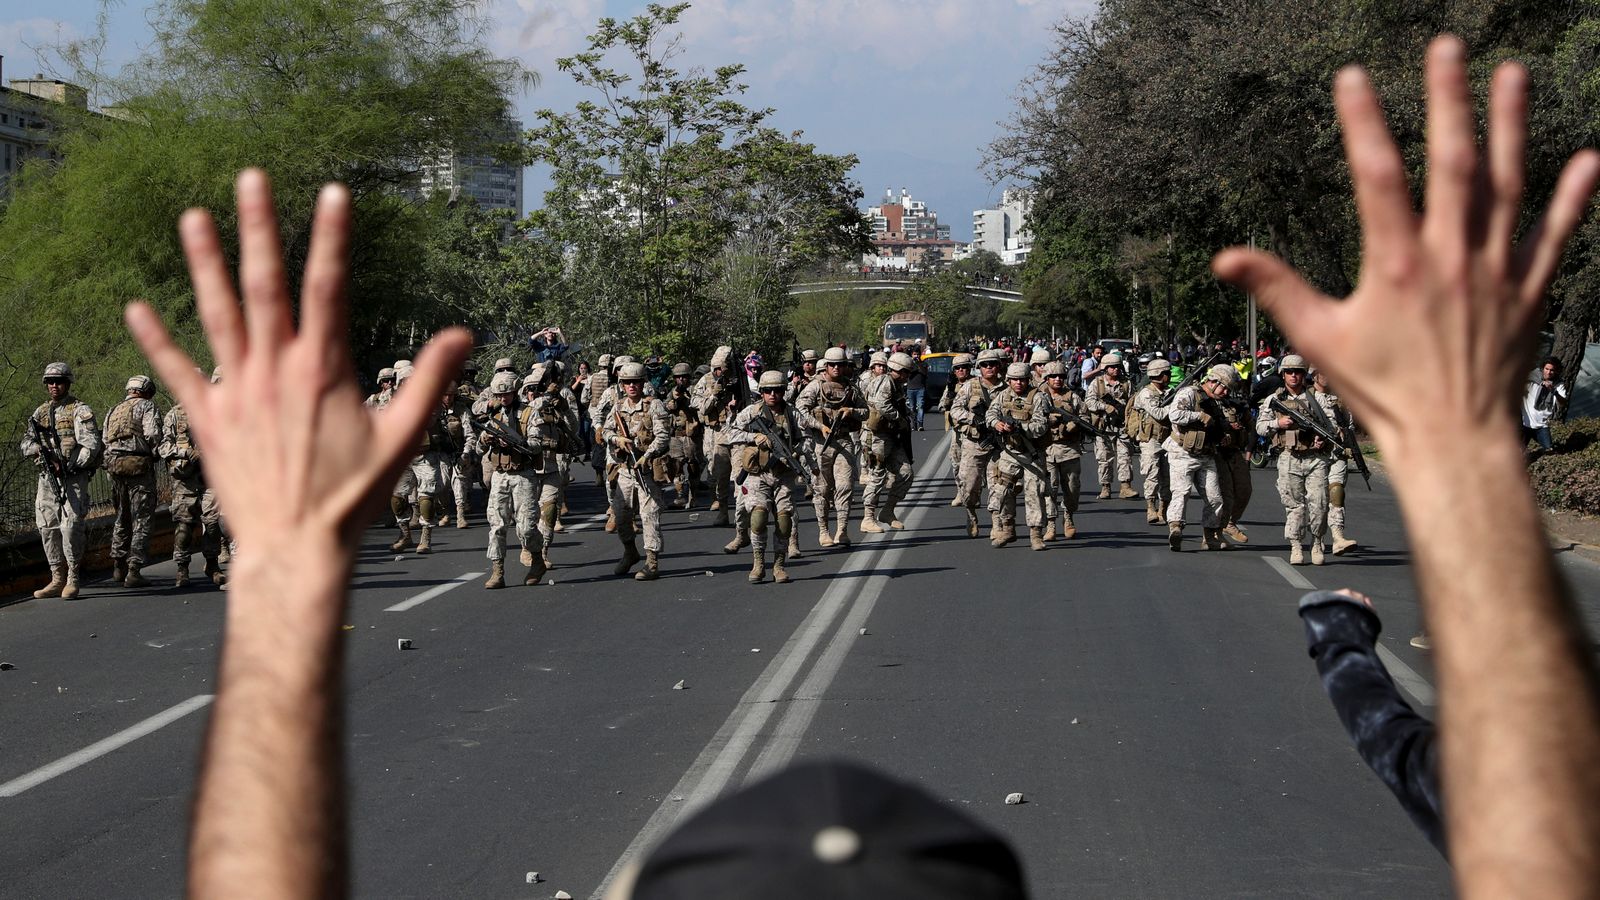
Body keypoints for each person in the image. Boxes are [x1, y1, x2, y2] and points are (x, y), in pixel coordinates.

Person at [20, 362, 101, 600]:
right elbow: (25, 442)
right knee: (47, 525)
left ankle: (72, 577)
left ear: (67, 383)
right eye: (50, 382)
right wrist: (40, 451)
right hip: (47, 478)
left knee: (71, 526)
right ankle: (56, 578)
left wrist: (71, 465)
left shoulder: (79, 409)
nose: (54, 386)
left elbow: (90, 445)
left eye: (59, 381)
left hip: (72, 476)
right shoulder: (40, 413)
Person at [729, 370, 807, 583]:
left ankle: (779, 565)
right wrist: (755, 437)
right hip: (758, 474)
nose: (773, 394)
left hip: (784, 474)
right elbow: (731, 433)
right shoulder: (752, 412)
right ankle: (758, 563)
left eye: (778, 390)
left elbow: (806, 438)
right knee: (758, 518)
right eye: (768, 391)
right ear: (762, 392)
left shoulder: (792, 413)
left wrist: (795, 452)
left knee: (783, 520)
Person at [1256, 354, 1332, 565]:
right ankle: (1296, 545)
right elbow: (1260, 427)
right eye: (1289, 372)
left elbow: (1331, 430)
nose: (1293, 376)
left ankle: (1317, 542)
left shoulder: (1317, 399)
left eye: (1298, 372)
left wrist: (1322, 441)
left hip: (1315, 458)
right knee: (1294, 506)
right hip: (1288, 457)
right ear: (1282, 374)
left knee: (1319, 504)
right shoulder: (1275, 400)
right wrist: (1278, 424)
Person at [479, 372, 546, 588]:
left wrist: (518, 443)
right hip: (500, 475)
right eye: (499, 394)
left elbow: (537, 443)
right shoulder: (494, 416)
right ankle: (497, 571)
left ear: (515, 391)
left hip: (523, 474)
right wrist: (486, 438)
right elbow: (480, 448)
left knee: (526, 527)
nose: (503, 397)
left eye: (507, 393)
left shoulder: (529, 413)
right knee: (497, 525)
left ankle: (537, 559)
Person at [795, 347, 867, 547]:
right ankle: (824, 531)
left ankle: (842, 530)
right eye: (832, 365)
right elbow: (799, 410)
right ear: (826, 366)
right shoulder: (816, 387)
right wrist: (820, 426)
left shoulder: (851, 388)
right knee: (822, 489)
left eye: (840, 365)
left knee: (845, 486)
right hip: (821, 443)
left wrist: (851, 411)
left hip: (844, 440)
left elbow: (866, 412)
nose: (836, 368)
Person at [604, 362, 670, 580]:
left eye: (636, 382)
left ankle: (652, 562)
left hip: (646, 470)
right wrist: (617, 439)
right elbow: (605, 431)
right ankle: (630, 552)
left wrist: (647, 455)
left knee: (649, 515)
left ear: (643, 383)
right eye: (627, 382)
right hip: (624, 470)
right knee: (621, 516)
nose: (632, 386)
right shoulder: (617, 406)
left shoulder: (654, 406)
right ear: (622, 385)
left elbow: (662, 437)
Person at [102, 374, 163, 588]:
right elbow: (153, 434)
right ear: (146, 390)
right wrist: (155, 453)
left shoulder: (113, 410)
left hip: (115, 468)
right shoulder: (147, 407)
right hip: (139, 468)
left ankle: (118, 565)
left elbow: (104, 440)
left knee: (121, 517)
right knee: (142, 519)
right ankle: (134, 569)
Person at [1162, 364, 1228, 552]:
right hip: (1182, 452)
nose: (1225, 392)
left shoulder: (1217, 400)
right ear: (1213, 382)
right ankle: (1175, 528)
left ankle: (1209, 535)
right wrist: (1197, 416)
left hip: (1207, 454)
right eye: (1223, 387)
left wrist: (1224, 436)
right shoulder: (1189, 393)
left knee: (1215, 497)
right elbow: (1174, 414)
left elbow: (1218, 424)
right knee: (1181, 492)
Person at [984, 362, 1049, 549]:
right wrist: (997, 424)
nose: (1019, 383)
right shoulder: (1003, 395)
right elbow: (991, 414)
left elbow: (1041, 426)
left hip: (1032, 453)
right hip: (1010, 452)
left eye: (1022, 379)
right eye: (1014, 380)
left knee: (1034, 493)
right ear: (1009, 381)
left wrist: (1021, 428)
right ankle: (1007, 529)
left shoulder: (1038, 397)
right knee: (1003, 490)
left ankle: (1036, 535)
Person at [949, 350, 1005, 539]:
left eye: (992, 364)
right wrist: (974, 418)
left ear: (999, 366)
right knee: (970, 486)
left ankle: (996, 524)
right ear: (979, 368)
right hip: (974, 443)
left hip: (998, 445)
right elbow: (955, 410)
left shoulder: (1007, 388)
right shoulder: (970, 387)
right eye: (984, 364)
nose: (989, 367)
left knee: (998, 486)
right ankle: (971, 515)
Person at [859, 351, 915, 534]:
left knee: (905, 472)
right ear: (897, 370)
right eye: (905, 371)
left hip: (891, 436)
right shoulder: (885, 381)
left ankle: (888, 511)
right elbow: (882, 405)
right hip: (877, 438)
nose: (907, 376)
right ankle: (867, 518)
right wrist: (900, 419)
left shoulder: (894, 384)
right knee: (877, 475)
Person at [1038, 361, 1091, 541]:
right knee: (1048, 489)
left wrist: (1074, 424)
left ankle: (1068, 517)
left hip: (1069, 450)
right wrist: (1046, 421)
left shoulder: (1072, 397)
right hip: (1045, 449)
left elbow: (1085, 416)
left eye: (1061, 376)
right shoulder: (1038, 396)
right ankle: (1051, 523)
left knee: (1072, 488)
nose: (1057, 380)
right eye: (1053, 376)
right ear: (1047, 378)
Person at [1312, 367, 1359, 555]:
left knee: (1337, 491)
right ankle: (1318, 537)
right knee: (1317, 498)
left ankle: (1338, 536)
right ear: (1314, 374)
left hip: (1337, 453)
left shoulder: (1340, 399)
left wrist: (1346, 439)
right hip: (1314, 454)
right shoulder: (1307, 398)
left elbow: (1350, 426)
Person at [1085, 352, 1138, 500]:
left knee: (1125, 456)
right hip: (1104, 427)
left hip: (1122, 426)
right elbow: (1089, 402)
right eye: (1112, 367)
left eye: (1117, 367)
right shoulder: (1097, 383)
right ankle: (1105, 487)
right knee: (1104, 457)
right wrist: (1105, 407)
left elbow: (1133, 402)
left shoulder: (1126, 384)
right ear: (1105, 368)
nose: (1116, 370)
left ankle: (1125, 486)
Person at [1130, 358, 1172, 525]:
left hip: (1168, 439)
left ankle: (1163, 509)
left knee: (1167, 477)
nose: (1169, 376)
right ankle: (1150, 507)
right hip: (1150, 439)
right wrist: (1175, 406)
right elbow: (1159, 414)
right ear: (1159, 375)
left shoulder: (1169, 392)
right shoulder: (1146, 393)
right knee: (1151, 474)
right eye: (1166, 373)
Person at [1521, 356, 1567, 452]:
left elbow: (1563, 403)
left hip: (1541, 425)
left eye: (1552, 370)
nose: (1548, 372)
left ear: (1556, 371)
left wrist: (1554, 392)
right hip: (1525, 423)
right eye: (1546, 369)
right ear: (1543, 368)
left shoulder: (1558, 384)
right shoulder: (1532, 378)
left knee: (1550, 450)